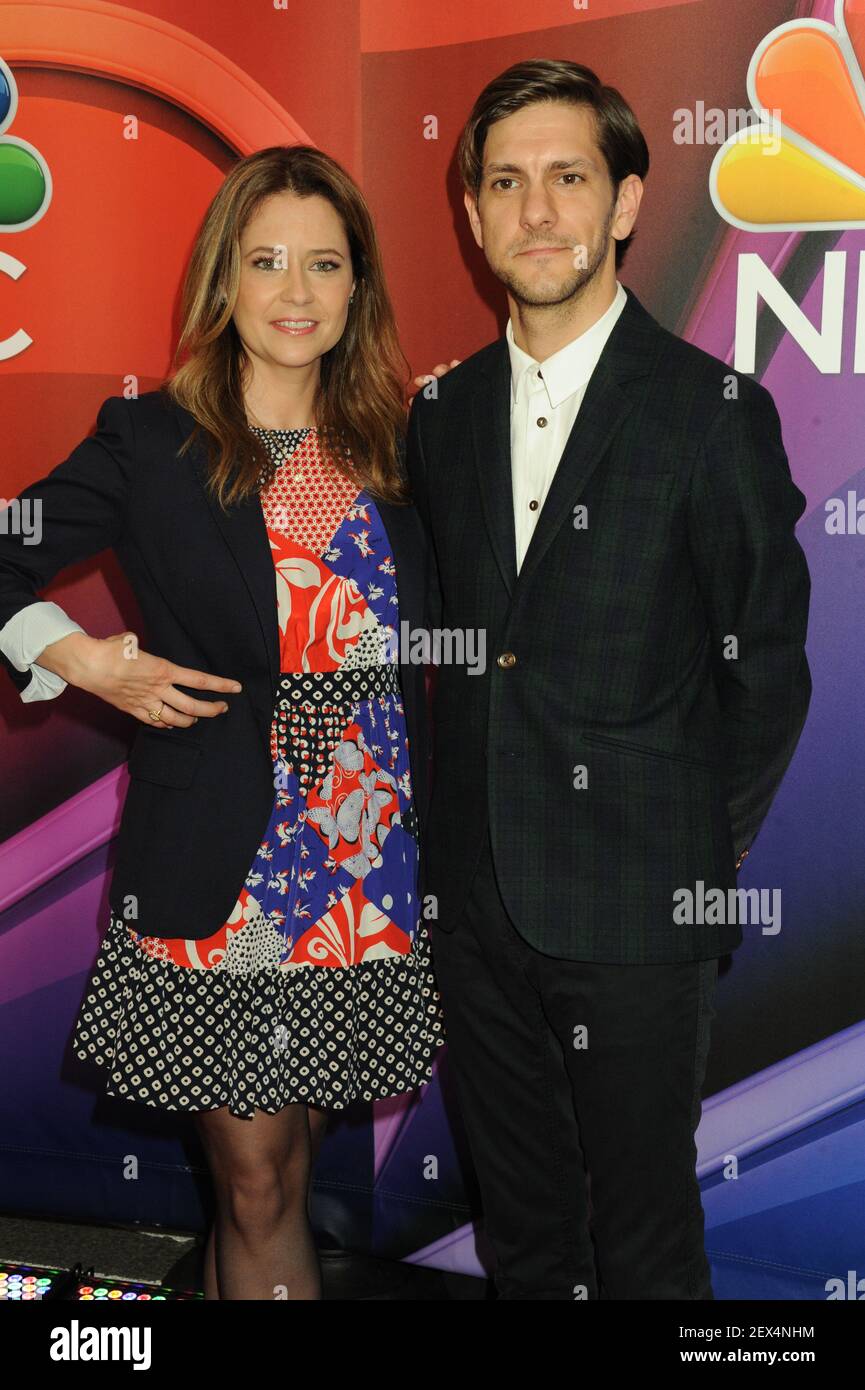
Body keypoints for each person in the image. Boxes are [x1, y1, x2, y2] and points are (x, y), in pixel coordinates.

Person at [0, 145, 445, 1301]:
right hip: (225, 869)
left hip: (364, 865)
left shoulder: (399, 454)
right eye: (265, 262)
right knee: (252, 1179)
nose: (294, 292)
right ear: (223, 281)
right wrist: (78, 653)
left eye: (323, 264)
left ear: (357, 290)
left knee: (291, 1164)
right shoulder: (151, 443)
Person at [406, 59, 812, 1300]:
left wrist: (690, 855)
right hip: (475, 914)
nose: (536, 213)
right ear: (472, 216)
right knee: (524, 1242)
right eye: (506, 184)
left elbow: (767, 671)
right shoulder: (441, 412)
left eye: (568, 178)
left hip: (641, 918)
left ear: (627, 203)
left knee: (643, 1250)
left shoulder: (710, 412)